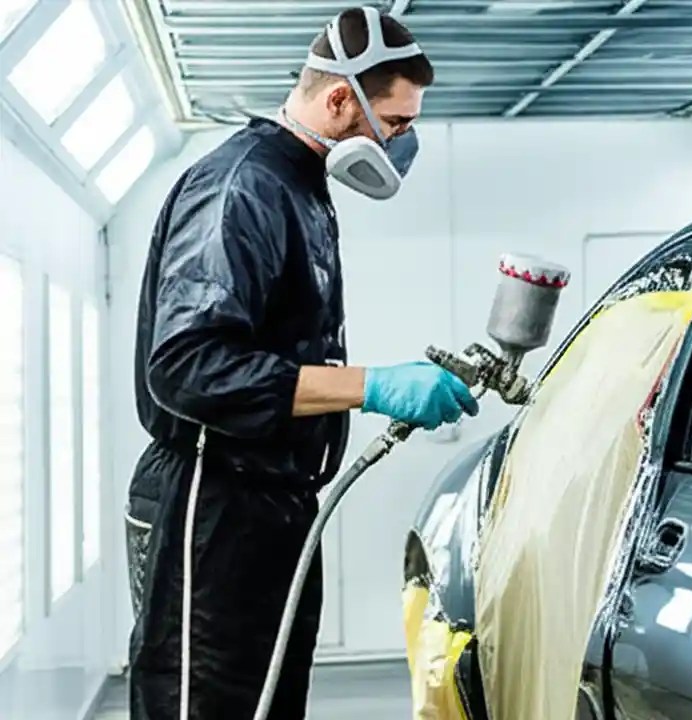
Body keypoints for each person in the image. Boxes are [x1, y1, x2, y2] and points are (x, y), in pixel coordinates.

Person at [124, 7, 475, 718]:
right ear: (340, 99)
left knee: (270, 702)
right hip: (213, 505)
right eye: (397, 123)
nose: (402, 143)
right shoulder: (243, 187)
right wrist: (372, 386)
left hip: (271, 507)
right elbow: (189, 365)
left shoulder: (301, 185)